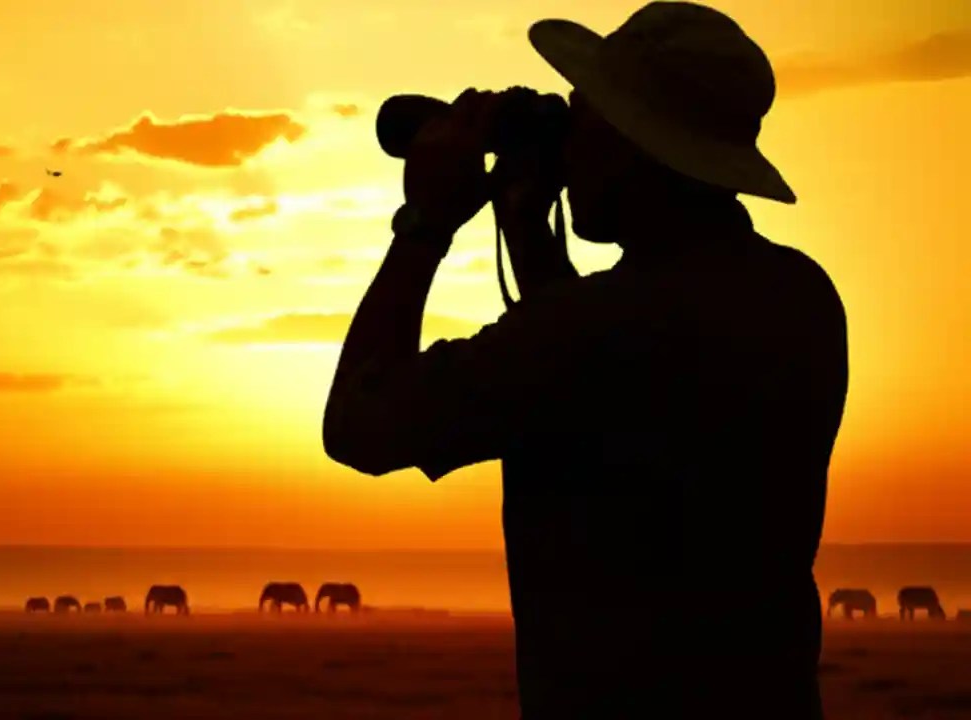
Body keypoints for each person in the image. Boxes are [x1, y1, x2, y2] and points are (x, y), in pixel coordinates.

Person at [321, 2, 848, 718]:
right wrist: (528, 230)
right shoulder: (801, 297)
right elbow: (604, 406)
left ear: (632, 145)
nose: (567, 146)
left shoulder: (592, 332)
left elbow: (359, 421)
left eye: (584, 117)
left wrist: (424, 225)